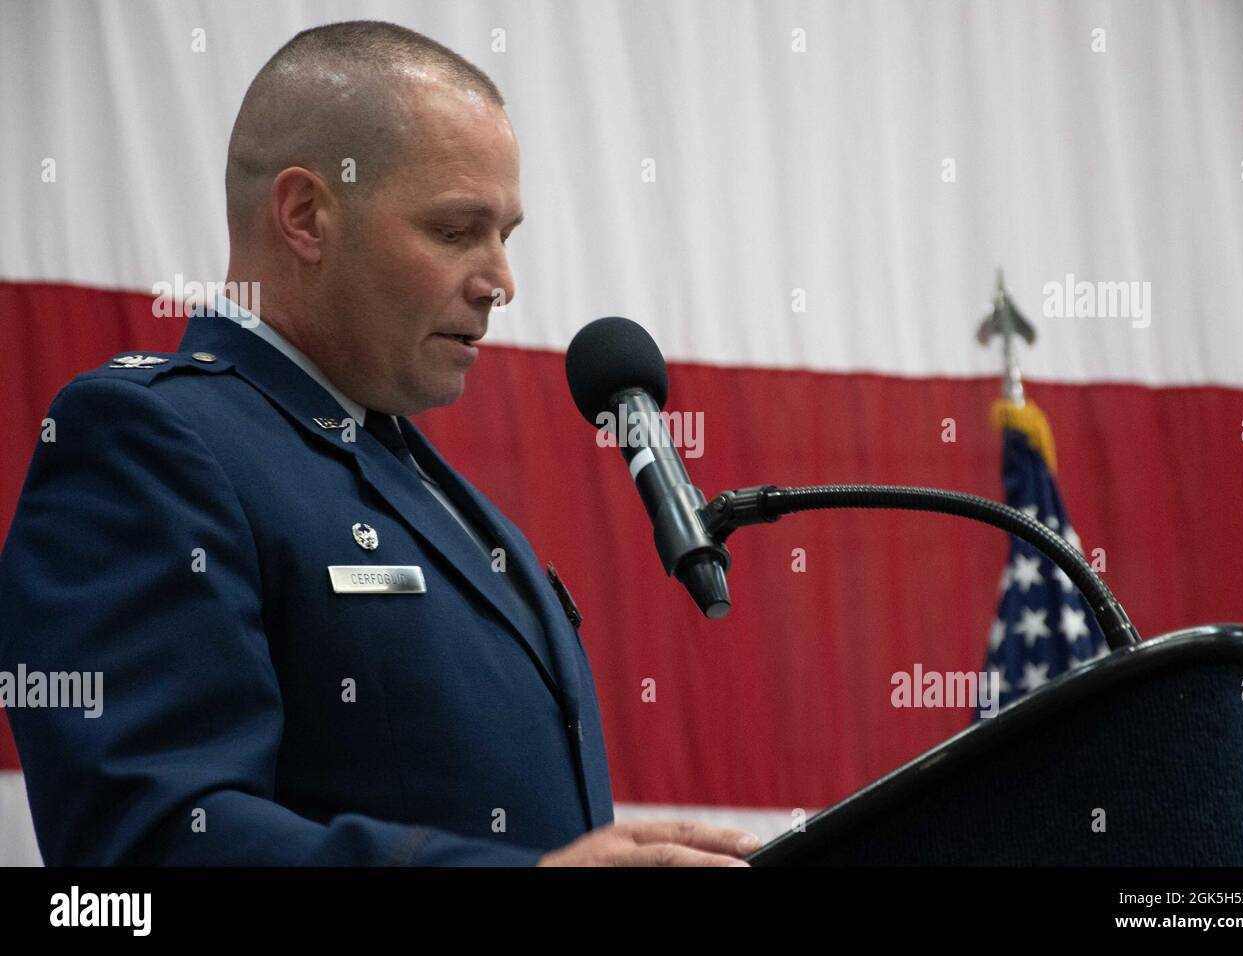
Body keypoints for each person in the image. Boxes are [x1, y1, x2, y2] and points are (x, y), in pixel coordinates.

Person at [0, 20, 757, 867]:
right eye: (455, 230)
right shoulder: (148, 443)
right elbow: (146, 843)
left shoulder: (425, 485)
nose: (501, 282)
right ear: (305, 216)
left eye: (506, 234)